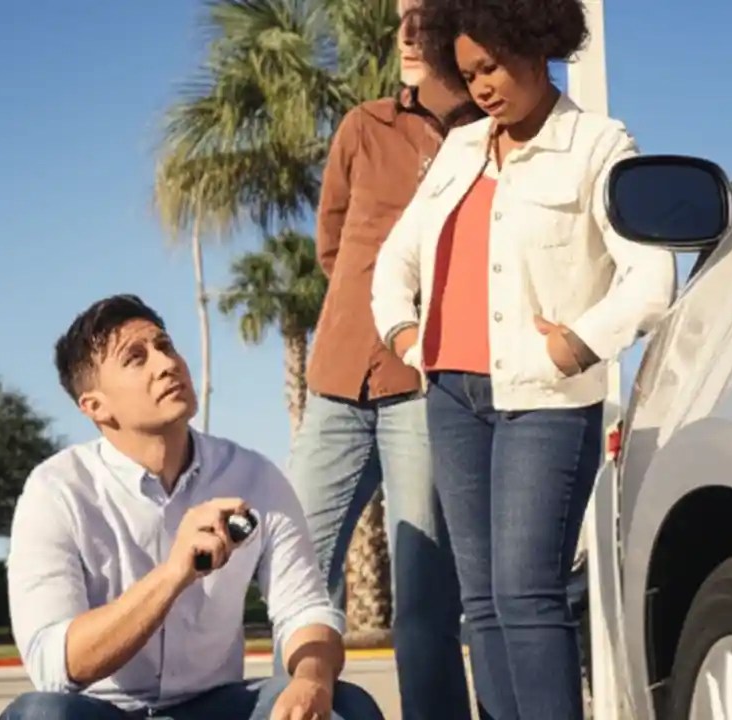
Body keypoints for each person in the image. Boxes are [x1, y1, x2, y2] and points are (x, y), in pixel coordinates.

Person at [369, 1, 677, 718]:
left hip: (544, 398)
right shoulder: (460, 149)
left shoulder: (597, 145)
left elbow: (650, 275)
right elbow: (395, 263)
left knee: (526, 594)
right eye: (469, 71)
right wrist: (408, 341)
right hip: (452, 397)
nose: (481, 86)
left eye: (494, 66)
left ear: (538, 47)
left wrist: (575, 343)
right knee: (481, 604)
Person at [0, 294, 385, 720]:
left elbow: (304, 609)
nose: (165, 364)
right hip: (104, 711)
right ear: (95, 406)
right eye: (135, 358)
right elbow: (55, 666)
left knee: (347, 706)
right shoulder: (56, 490)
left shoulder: (253, 476)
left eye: (164, 346)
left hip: (215, 708)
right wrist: (173, 574)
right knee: (40, 715)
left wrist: (312, 680)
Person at [288, 1, 483, 718]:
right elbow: (333, 245)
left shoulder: (493, 135)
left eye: (421, 13)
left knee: (425, 599)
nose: (404, 29)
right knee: (297, 565)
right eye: (399, 13)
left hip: (425, 390)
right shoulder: (363, 126)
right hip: (338, 381)